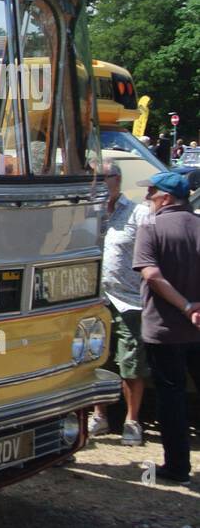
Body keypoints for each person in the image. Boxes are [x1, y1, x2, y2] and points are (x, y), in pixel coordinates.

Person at [132, 170, 200, 485]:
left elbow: (151, 275)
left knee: (171, 398)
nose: (148, 200)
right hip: (196, 328)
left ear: (166, 198)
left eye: (151, 194)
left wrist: (185, 306)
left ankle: (177, 468)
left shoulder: (151, 227)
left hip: (164, 328)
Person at [91, 160, 151, 444]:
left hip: (129, 300)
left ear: (117, 179)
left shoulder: (139, 213)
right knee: (96, 358)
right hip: (95, 299)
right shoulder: (89, 213)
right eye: (94, 178)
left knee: (131, 362)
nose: (98, 184)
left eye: (103, 178)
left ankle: (132, 421)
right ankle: (99, 416)